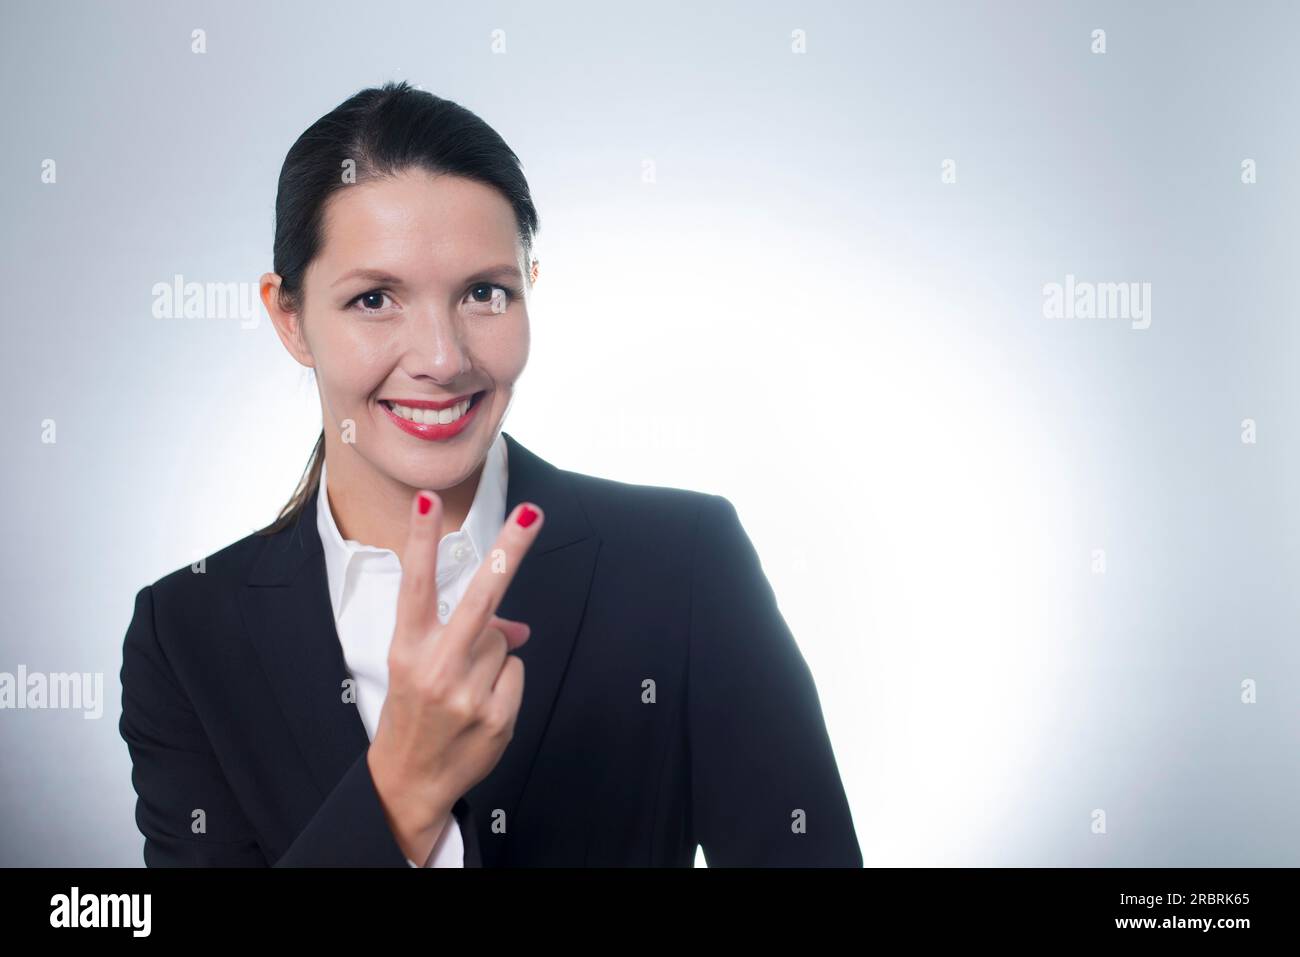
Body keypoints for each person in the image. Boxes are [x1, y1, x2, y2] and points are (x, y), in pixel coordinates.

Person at [119, 81, 861, 867]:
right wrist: (400, 790)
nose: (442, 359)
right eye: (374, 299)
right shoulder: (188, 632)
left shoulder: (682, 563)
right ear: (290, 318)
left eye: (484, 292)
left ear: (528, 290)